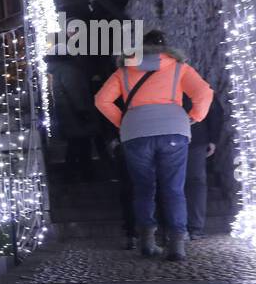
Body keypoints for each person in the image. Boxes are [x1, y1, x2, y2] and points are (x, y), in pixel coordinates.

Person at [94, 30, 213, 261]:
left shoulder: (124, 70)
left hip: (136, 132)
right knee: (174, 189)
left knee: (143, 188)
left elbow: (101, 100)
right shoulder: (180, 68)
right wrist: (194, 116)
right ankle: (177, 244)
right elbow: (204, 93)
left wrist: (124, 121)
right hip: (173, 131)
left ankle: (147, 242)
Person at [184, 95, 224, 239]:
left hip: (170, 135)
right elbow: (214, 108)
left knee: (172, 182)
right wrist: (213, 138)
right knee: (195, 182)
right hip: (196, 136)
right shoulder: (191, 78)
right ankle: (194, 227)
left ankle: (177, 227)